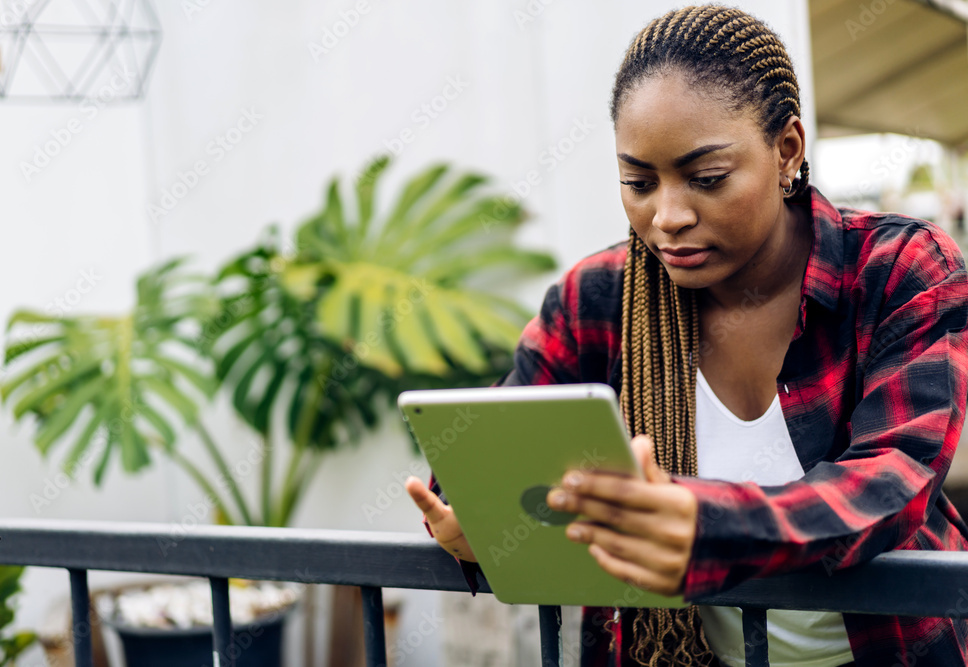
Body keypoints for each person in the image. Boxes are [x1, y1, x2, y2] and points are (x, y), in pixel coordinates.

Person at [405, 5, 968, 666]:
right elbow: (483, 467)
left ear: (787, 149)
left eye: (706, 179)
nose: (667, 217)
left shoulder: (899, 270)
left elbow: (891, 483)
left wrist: (706, 526)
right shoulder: (599, 300)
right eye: (638, 183)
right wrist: (478, 522)